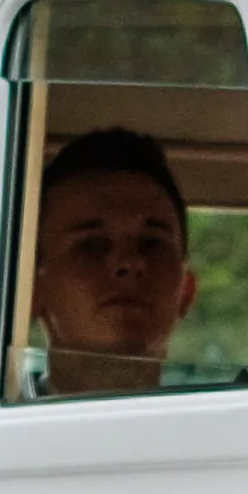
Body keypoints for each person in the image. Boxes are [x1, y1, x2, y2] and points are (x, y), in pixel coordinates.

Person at [25, 126, 199, 396]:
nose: (129, 262)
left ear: (186, 291)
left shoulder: (226, 436)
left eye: (152, 243)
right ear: (33, 291)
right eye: (91, 245)